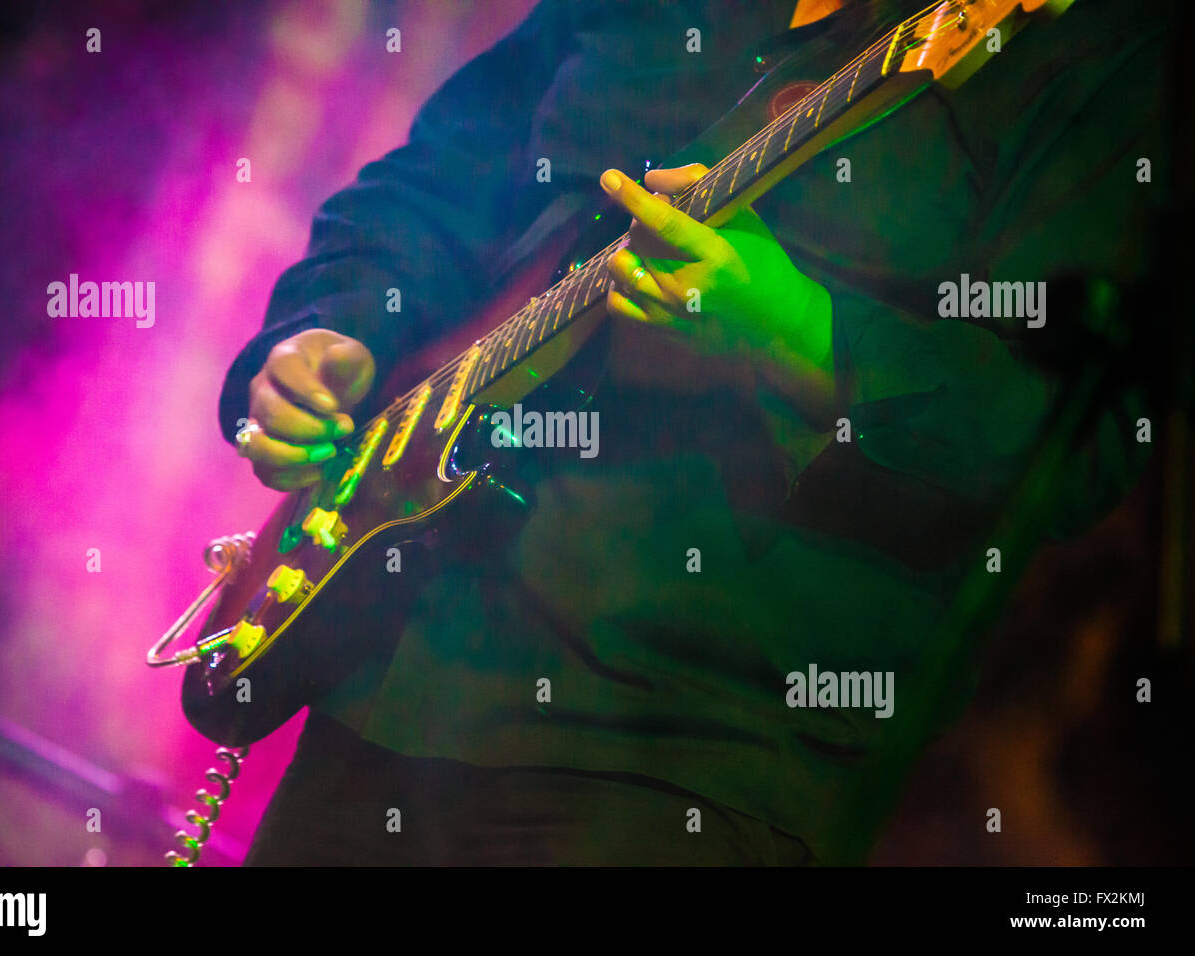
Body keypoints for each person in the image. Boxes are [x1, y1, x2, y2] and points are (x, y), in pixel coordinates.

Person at [217, 0, 1174, 864]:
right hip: (396, 681)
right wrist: (332, 329)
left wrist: (797, 330)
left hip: (692, 758)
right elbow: (431, 187)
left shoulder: (1107, 54)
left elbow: (1079, 445)